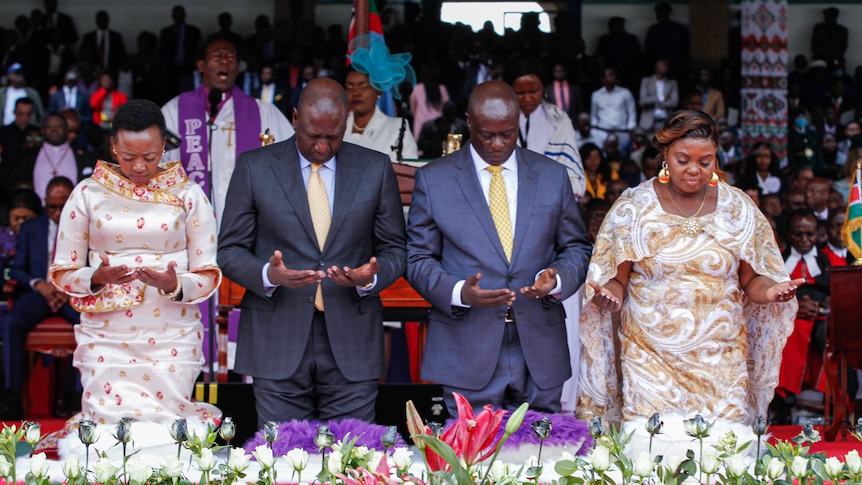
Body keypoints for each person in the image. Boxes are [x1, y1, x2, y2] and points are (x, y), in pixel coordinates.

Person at [578, 110, 800, 452]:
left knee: (722, 451)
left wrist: (771, 291)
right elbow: (616, 282)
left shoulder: (737, 208)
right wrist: (608, 294)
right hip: (650, 354)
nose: (694, 169)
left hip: (720, 357)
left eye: (705, 161)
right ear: (665, 156)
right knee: (652, 449)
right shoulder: (634, 208)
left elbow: (751, 281)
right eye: (683, 160)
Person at [217, 78, 406, 425]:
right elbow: (229, 250)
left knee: (353, 458)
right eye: (313, 136)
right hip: (277, 334)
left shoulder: (375, 168)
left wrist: (368, 278)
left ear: (346, 121)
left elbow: (395, 248)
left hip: (352, 336)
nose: (321, 146)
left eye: (332, 136)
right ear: (294, 118)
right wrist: (267, 275)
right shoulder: (254, 166)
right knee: (282, 459)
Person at [405, 80, 592, 414]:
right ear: (469, 123)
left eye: (506, 134)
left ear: (518, 121)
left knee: (540, 456)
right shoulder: (435, 179)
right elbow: (418, 257)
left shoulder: (552, 176)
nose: (496, 144)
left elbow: (577, 246)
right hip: (466, 343)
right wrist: (460, 292)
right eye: (486, 134)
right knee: (470, 460)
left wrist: (558, 278)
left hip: (538, 344)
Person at [49, 99, 221, 456]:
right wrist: (96, 277)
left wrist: (173, 284)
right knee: (107, 436)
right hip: (106, 335)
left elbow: (208, 276)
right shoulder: (86, 194)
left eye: (150, 156)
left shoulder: (189, 195)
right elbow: (62, 272)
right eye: (128, 157)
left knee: (169, 433)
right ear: (114, 147)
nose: (140, 166)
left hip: (171, 334)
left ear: (164, 148)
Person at [162, 36, 293, 224]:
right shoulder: (175, 111)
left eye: (230, 57)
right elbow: (158, 161)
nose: (225, 61)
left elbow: (290, 159)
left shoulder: (263, 112)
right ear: (201, 65)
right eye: (218, 56)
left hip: (247, 224)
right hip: (187, 223)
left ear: (238, 67)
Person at [1, 177, 79, 420]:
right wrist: (40, 285)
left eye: (62, 206)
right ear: (45, 203)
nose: (56, 213)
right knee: (12, 322)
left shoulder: (85, 227)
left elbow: (92, 265)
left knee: (91, 324)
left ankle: (74, 398)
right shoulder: (31, 227)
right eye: (52, 207)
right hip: (39, 294)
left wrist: (69, 288)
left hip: (71, 294)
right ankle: (11, 396)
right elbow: (17, 269)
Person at [504, 55, 585, 198]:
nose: (527, 98)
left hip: (551, 198)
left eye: (533, 91)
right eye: (520, 93)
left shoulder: (559, 119)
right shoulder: (500, 120)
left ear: (543, 88)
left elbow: (569, 170)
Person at [343, 36, 418, 162]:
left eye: (364, 87)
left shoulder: (397, 128)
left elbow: (409, 171)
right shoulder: (337, 126)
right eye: (349, 87)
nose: (355, 93)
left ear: (379, 91)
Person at [0, 114, 96, 208]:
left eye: (59, 126)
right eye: (49, 126)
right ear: (42, 130)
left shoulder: (85, 158)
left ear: (67, 130)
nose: (54, 129)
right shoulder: (26, 157)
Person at [638, 59, 679, 134]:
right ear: (656, 67)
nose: (665, 67)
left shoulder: (672, 83)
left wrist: (653, 103)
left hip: (665, 121)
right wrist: (661, 98)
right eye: (662, 64)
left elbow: (674, 103)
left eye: (666, 65)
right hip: (648, 122)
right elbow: (642, 100)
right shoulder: (646, 81)